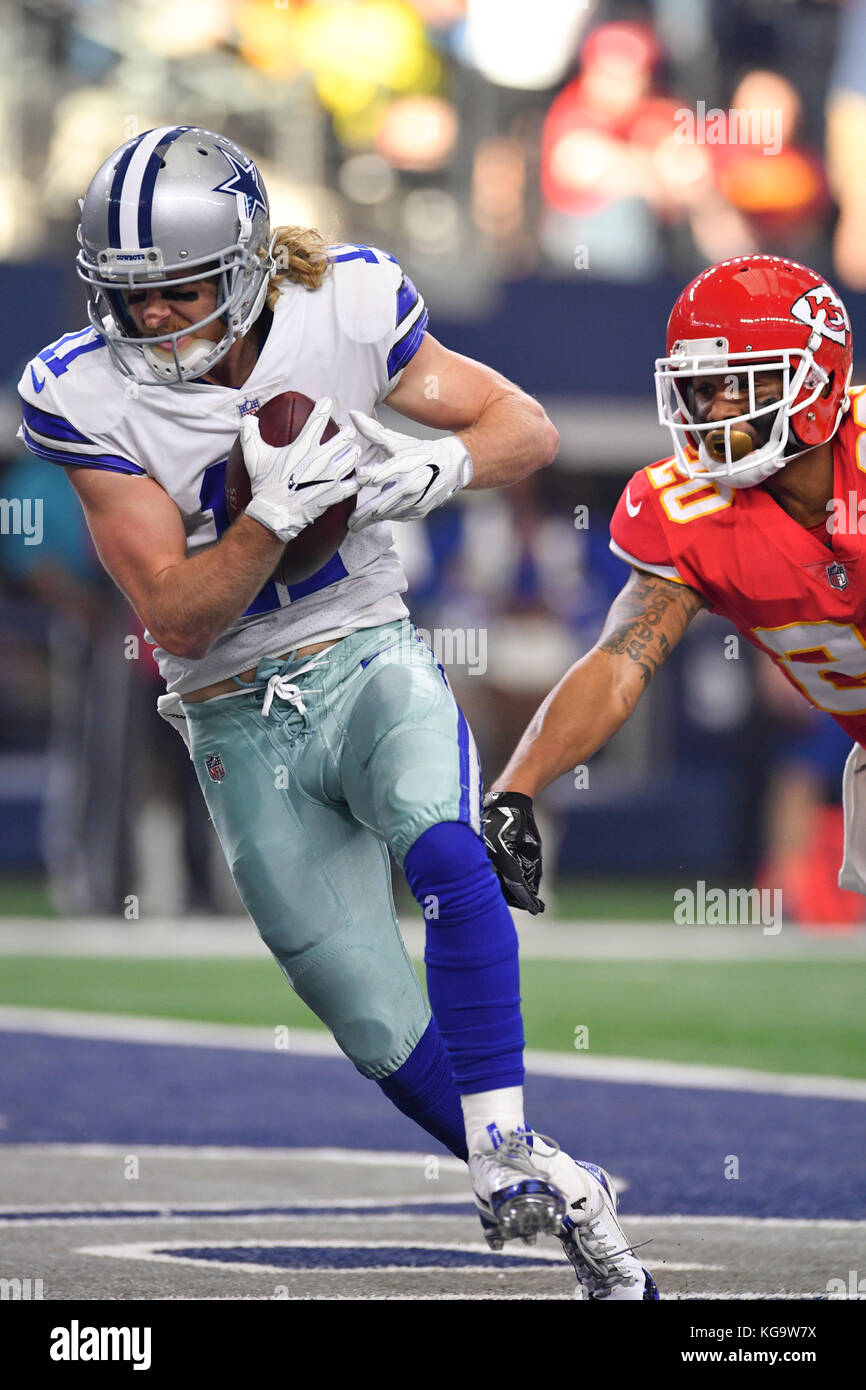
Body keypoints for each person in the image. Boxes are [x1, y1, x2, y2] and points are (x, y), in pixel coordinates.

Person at [17, 126, 657, 1300]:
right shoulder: (83, 393)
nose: (155, 321)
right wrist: (270, 520)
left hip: (363, 650)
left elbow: (524, 427)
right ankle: (553, 1179)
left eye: (182, 292)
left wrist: (428, 472)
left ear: (253, 265)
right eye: (135, 298)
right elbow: (178, 616)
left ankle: (504, 1139)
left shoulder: (346, 304)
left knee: (442, 841)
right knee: (367, 1018)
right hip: (230, 713)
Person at [483, 253, 866, 926]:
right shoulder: (689, 509)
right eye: (701, 387)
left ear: (814, 382)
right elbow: (617, 664)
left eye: (737, 385)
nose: (714, 409)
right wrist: (515, 791)